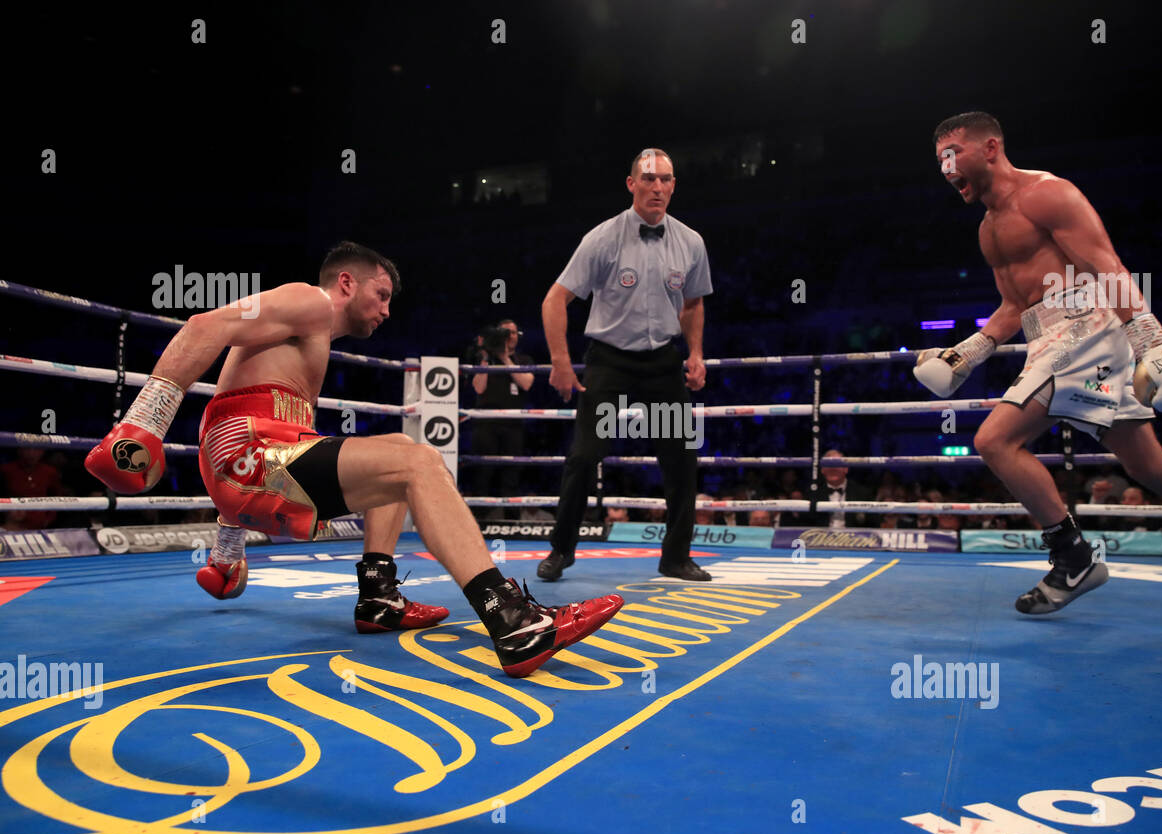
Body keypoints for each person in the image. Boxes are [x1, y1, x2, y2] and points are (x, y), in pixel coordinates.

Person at [84, 242, 623, 677]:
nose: (388, 310)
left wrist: (227, 550)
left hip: (256, 463)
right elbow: (205, 326)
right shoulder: (310, 301)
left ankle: (379, 597)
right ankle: (512, 620)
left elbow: (237, 436)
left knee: (402, 450)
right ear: (346, 283)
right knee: (418, 468)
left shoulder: (301, 343)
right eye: (382, 294)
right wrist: (143, 426)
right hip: (252, 457)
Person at [915, 112, 1162, 625]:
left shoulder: (1046, 194)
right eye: (939, 158)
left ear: (990, 148)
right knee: (1148, 465)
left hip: (1087, 325)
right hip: (1047, 334)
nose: (945, 168)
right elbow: (1013, 307)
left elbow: (1107, 265)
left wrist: (1151, 342)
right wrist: (965, 354)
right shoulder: (988, 230)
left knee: (994, 440)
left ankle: (1073, 558)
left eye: (953, 153)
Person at [538, 148, 712, 582]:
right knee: (585, 455)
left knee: (681, 457)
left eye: (666, 179)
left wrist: (695, 353)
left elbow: (693, 302)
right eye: (649, 179)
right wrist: (560, 362)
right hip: (610, 360)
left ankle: (675, 557)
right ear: (631, 183)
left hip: (663, 360)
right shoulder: (603, 237)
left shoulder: (690, 241)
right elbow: (555, 299)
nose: (658, 187)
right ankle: (561, 550)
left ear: (673, 185)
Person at [470, 319, 534, 518]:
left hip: (513, 424)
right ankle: (477, 524)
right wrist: (486, 358)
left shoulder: (523, 360)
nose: (509, 336)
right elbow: (478, 388)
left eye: (513, 332)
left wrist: (506, 358)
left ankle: (512, 524)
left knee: (511, 477)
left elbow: (527, 384)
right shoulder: (485, 359)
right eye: (505, 332)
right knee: (483, 475)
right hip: (486, 423)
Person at [815, 450, 872, 529]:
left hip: (854, 539)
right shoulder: (813, 493)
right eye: (829, 465)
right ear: (822, 470)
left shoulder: (862, 493)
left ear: (846, 468)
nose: (833, 469)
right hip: (820, 539)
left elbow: (872, 525)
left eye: (837, 464)